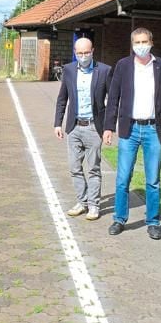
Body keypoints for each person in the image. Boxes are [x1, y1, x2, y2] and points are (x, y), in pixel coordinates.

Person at [103, 27, 161, 240]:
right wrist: (108, 127)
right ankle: (119, 218)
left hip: (153, 129)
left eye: (145, 42)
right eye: (137, 42)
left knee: (153, 179)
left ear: (151, 42)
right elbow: (113, 98)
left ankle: (153, 221)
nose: (141, 46)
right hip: (130, 128)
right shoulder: (123, 66)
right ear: (132, 44)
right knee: (123, 177)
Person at [54, 38, 112, 221]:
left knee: (93, 168)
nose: (83, 56)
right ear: (75, 52)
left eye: (87, 52)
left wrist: (109, 127)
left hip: (94, 127)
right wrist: (58, 123)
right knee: (74, 167)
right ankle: (82, 201)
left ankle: (94, 205)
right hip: (74, 126)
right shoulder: (69, 70)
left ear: (93, 50)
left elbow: (112, 102)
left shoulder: (104, 71)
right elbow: (62, 98)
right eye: (80, 53)